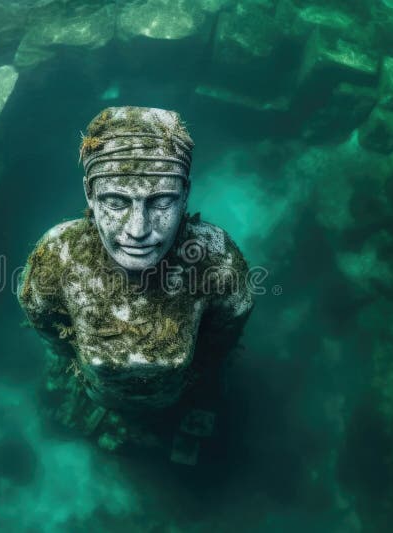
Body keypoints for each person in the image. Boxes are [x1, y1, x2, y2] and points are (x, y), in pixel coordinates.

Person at [17, 106, 254, 464]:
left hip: (175, 397)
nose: (138, 230)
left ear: (185, 194)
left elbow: (219, 347)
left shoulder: (218, 267)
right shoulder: (56, 260)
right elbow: (51, 333)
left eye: (161, 201)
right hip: (99, 393)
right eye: (115, 201)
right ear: (89, 195)